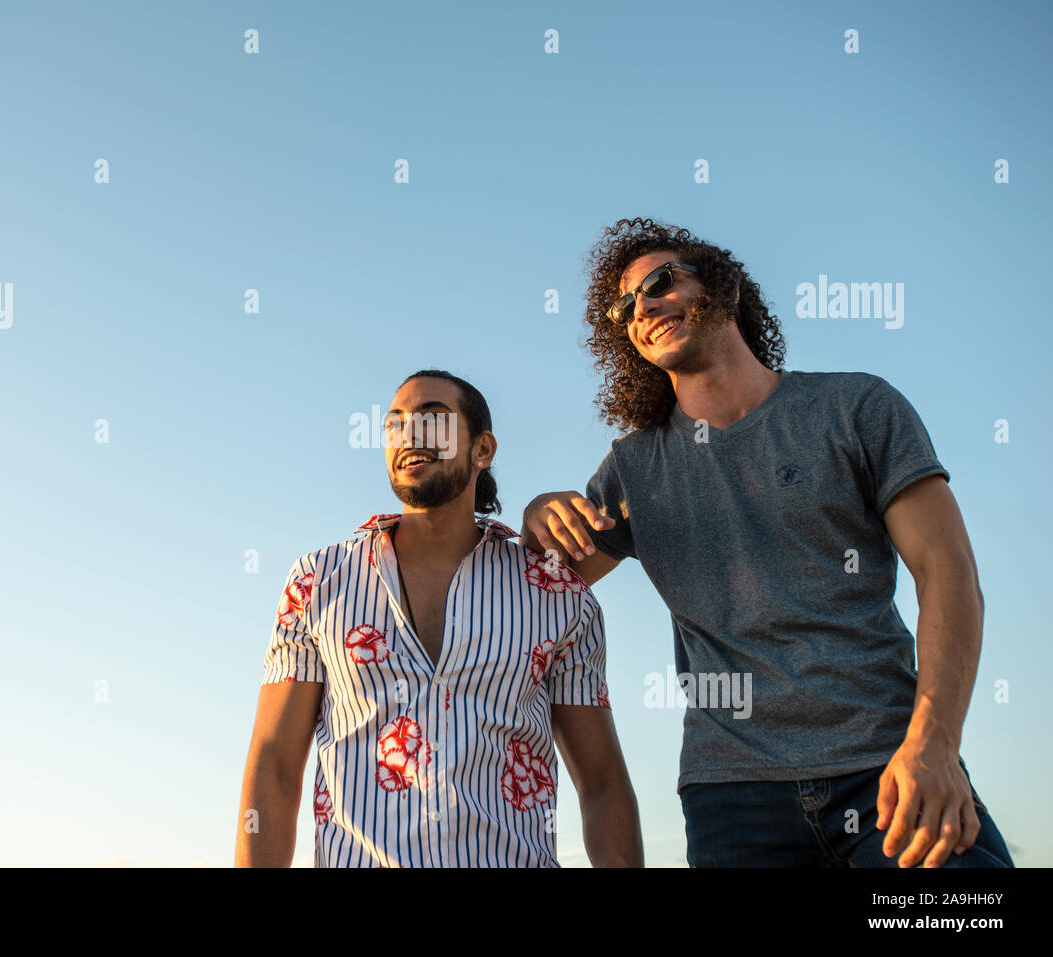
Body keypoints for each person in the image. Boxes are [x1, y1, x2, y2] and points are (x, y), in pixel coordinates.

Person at [520, 218, 1013, 868]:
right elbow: (534, 584)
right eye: (625, 306)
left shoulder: (855, 407)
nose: (643, 306)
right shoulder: (632, 471)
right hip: (734, 801)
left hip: (890, 766)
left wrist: (935, 743)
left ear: (723, 287)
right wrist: (532, 516)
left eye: (663, 280)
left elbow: (946, 570)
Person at [236, 369, 641, 867]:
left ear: (482, 449)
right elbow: (273, 765)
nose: (408, 436)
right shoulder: (317, 580)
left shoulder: (556, 593)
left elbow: (601, 781)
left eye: (431, 420)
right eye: (394, 424)